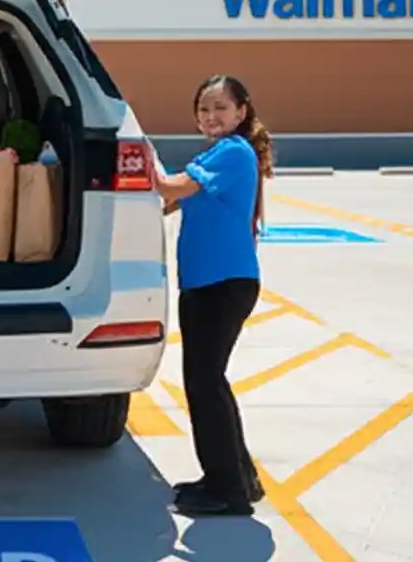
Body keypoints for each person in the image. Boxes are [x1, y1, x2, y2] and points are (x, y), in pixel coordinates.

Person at [150, 73, 274, 517]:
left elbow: (168, 189)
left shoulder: (234, 152)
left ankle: (228, 492)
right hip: (208, 283)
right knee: (210, 383)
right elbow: (166, 202)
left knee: (204, 384)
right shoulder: (215, 156)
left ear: (242, 112)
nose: (211, 116)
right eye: (203, 109)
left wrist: (133, 153)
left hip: (221, 284)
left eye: (221, 107)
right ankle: (238, 478)